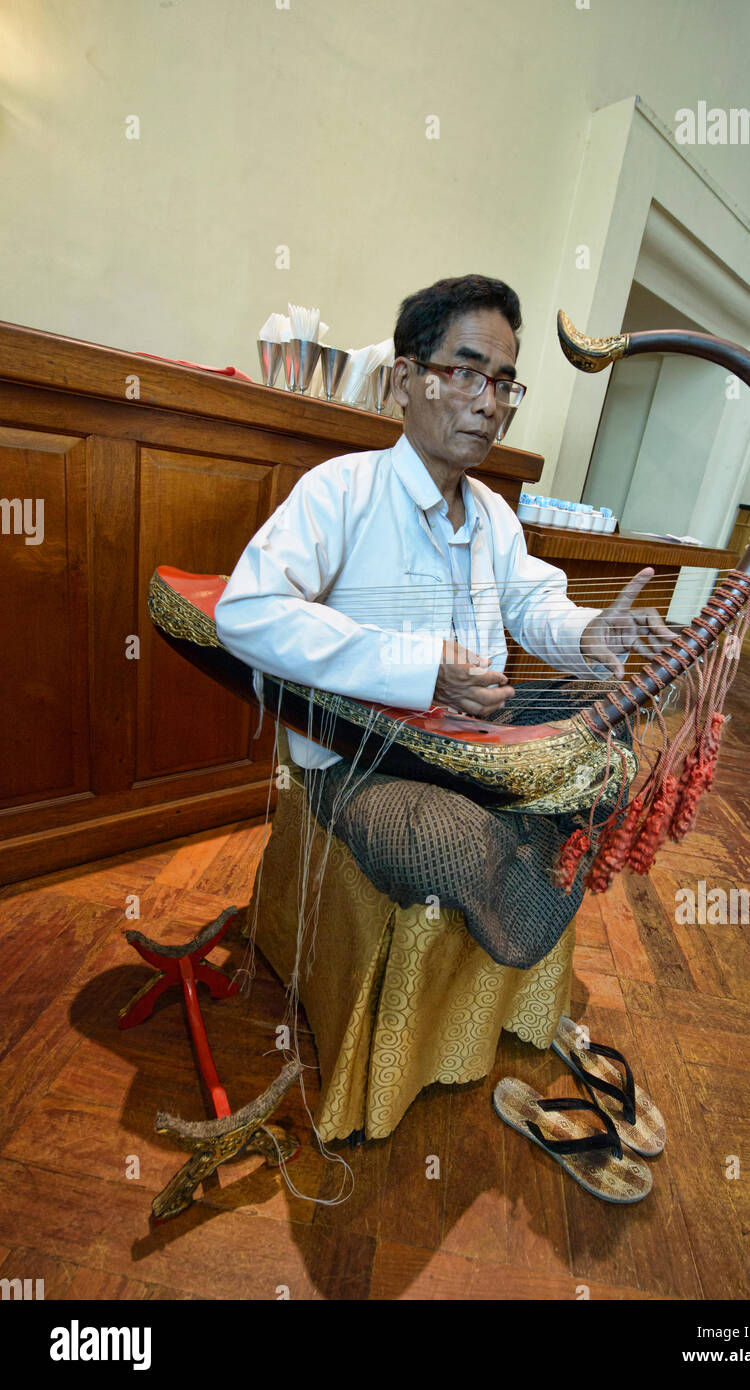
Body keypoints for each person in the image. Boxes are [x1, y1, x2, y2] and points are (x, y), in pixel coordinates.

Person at [215, 274, 672, 969]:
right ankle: (508, 863)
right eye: (465, 373)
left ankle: (508, 835)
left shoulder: (492, 512)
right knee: (446, 846)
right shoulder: (339, 489)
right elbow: (247, 614)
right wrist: (421, 668)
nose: (488, 404)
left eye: (504, 384)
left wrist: (588, 634)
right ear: (405, 381)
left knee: (610, 717)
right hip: (366, 755)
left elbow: (532, 603)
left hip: (477, 735)